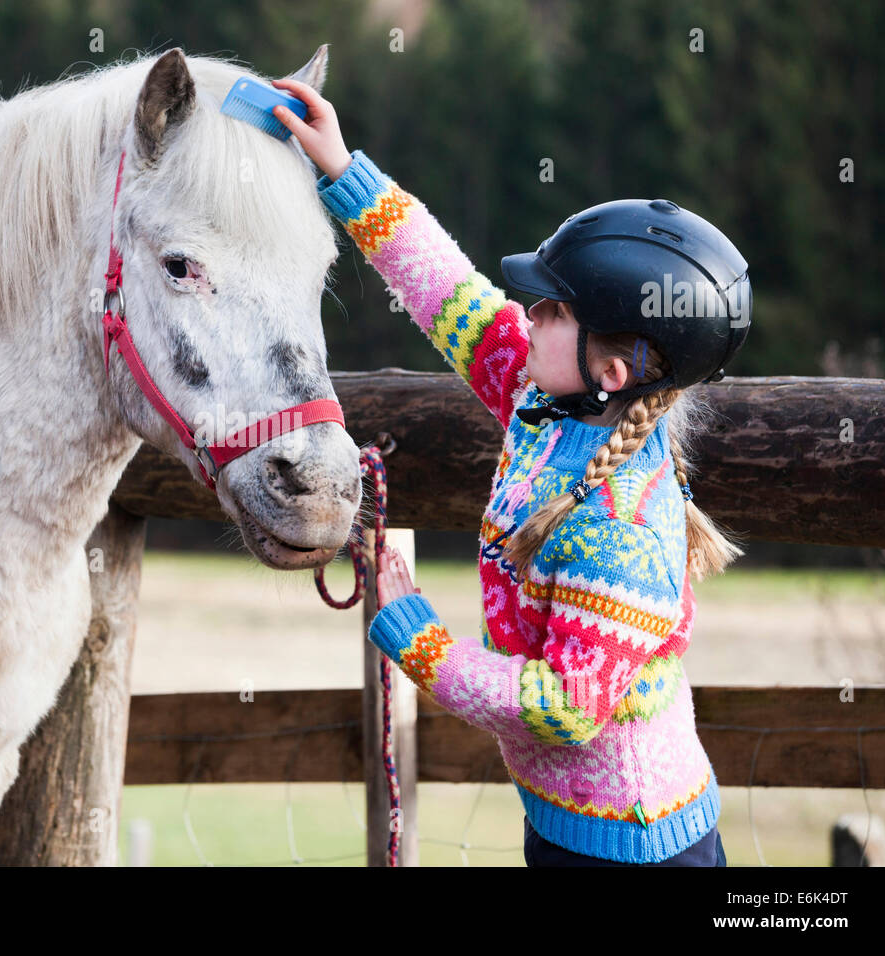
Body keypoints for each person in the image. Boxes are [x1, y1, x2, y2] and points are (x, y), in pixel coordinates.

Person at [272, 79, 751, 866]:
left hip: (633, 845)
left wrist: (419, 642)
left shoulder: (621, 525)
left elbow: (565, 707)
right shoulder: (546, 403)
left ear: (613, 367)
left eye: (554, 310)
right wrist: (343, 171)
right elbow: (448, 294)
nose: (528, 315)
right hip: (564, 825)